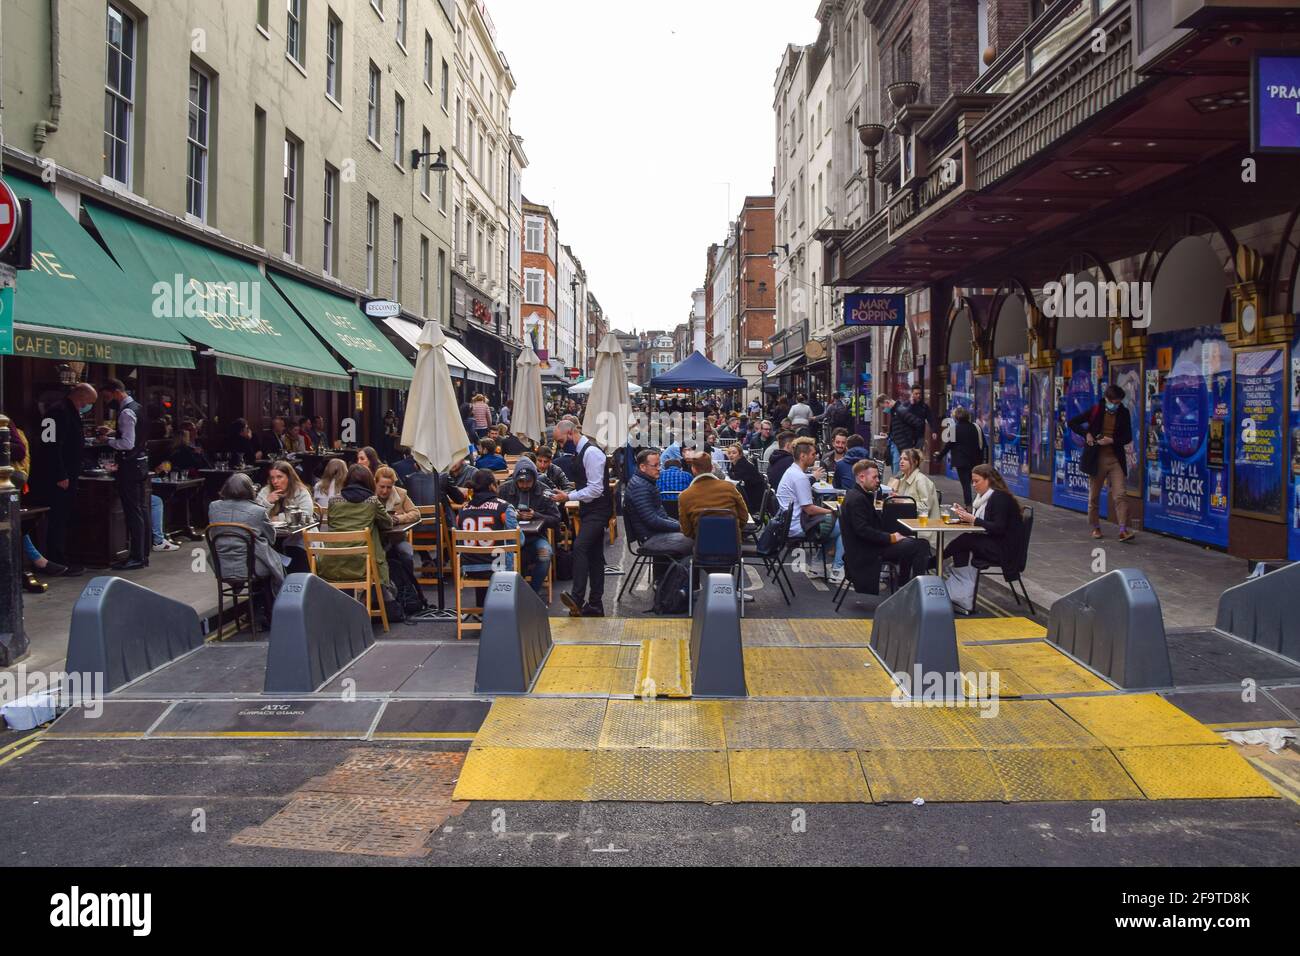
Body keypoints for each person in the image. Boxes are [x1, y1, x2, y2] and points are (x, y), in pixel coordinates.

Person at [549, 421, 613, 618]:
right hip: (590, 509)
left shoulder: (591, 453)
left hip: (598, 510)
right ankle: (595, 604)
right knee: (594, 556)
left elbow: (595, 489)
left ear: (570, 433)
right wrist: (570, 493)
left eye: (560, 441)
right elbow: (588, 485)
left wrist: (568, 497)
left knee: (580, 547)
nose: (560, 446)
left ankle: (578, 598)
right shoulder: (582, 451)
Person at [30, 382, 96, 569]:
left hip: (70, 473)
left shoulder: (70, 411)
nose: (86, 407)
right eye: (87, 403)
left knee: (65, 517)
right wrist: (60, 474)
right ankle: (57, 560)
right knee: (57, 519)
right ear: (80, 397)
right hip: (57, 477)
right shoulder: (57, 412)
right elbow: (50, 446)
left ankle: (64, 556)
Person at [840, 460, 931, 596]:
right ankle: (916, 593)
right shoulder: (857, 499)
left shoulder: (858, 495)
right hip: (867, 552)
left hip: (866, 547)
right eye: (874, 477)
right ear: (861, 477)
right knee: (920, 545)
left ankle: (904, 586)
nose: (878, 481)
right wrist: (891, 537)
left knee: (911, 543)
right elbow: (863, 530)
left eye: (878, 477)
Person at [207, 472, 284, 625]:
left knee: (261, 562)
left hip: (222, 567)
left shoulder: (213, 507)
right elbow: (271, 538)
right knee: (271, 567)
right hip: (251, 568)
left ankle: (253, 614)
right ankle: (271, 615)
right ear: (250, 489)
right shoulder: (257, 511)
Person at [97, 379, 151, 570]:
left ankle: (136, 556)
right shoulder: (138, 407)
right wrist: (114, 433)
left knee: (133, 511)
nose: (106, 401)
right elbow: (134, 435)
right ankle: (143, 553)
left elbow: (127, 444)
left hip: (129, 467)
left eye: (106, 396)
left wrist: (107, 440)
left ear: (116, 392)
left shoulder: (126, 412)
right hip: (141, 463)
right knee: (141, 509)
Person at [1070, 384, 1135, 543]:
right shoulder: (1096, 410)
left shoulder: (1124, 413)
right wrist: (1087, 434)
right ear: (1107, 399)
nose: (1116, 405)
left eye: (1119, 402)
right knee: (1094, 495)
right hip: (1097, 459)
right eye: (1114, 402)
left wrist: (1112, 440)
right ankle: (1096, 527)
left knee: (1120, 494)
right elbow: (1072, 422)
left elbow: (1127, 437)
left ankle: (1122, 530)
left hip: (1115, 459)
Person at [776, 437, 843, 582]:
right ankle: (837, 570)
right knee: (841, 525)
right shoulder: (799, 477)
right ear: (803, 456)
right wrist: (831, 511)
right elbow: (809, 509)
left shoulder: (792, 471)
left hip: (790, 521)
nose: (816, 457)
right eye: (813, 454)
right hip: (796, 525)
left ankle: (818, 565)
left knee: (833, 525)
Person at [319, 464, 394, 589]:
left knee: (371, 528)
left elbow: (332, 525)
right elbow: (388, 523)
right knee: (372, 530)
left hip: (332, 565)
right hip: (362, 566)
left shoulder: (333, 501)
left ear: (347, 481)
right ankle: (377, 598)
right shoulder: (372, 502)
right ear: (369, 481)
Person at [944, 464, 1025, 572]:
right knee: (963, 542)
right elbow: (984, 521)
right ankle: (961, 580)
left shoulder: (1000, 498)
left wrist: (973, 519)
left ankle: (935, 563)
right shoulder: (984, 497)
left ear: (989, 480)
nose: (973, 485)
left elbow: (998, 528)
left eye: (976, 481)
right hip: (994, 542)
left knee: (965, 540)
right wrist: (965, 515)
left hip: (1004, 549)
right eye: (972, 481)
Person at [498, 458, 560, 595]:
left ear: (534, 479)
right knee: (497, 556)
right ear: (515, 479)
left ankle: (531, 593)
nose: (524, 485)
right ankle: (507, 593)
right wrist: (514, 516)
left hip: (536, 537)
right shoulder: (503, 490)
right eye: (521, 481)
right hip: (510, 538)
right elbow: (496, 515)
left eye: (528, 481)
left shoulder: (545, 491)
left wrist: (536, 515)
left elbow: (556, 518)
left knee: (545, 554)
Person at [623, 449, 694, 560]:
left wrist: (682, 525)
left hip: (654, 533)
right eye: (655, 465)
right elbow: (652, 520)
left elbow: (660, 517)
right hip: (651, 537)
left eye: (659, 464)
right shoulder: (640, 487)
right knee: (693, 542)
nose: (659, 468)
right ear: (642, 467)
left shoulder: (645, 482)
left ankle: (674, 575)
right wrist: (681, 526)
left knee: (693, 537)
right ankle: (678, 576)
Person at [256, 460, 315, 574]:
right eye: (272, 478)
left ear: (289, 477)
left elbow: (306, 514)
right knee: (260, 554)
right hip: (272, 539)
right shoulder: (266, 491)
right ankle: (270, 588)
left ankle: (297, 586)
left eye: (279, 477)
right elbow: (255, 514)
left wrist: (280, 518)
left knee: (296, 554)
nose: (275, 481)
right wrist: (267, 502)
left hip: (298, 539)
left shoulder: (300, 491)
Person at [677, 452, 750, 542]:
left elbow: (686, 531)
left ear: (693, 469)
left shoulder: (684, 496)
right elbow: (744, 516)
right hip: (732, 545)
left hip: (702, 546)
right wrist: (733, 530)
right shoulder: (729, 487)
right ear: (712, 468)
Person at [889, 447, 942, 547]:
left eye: (905, 459)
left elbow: (926, 507)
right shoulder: (903, 478)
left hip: (921, 529)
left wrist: (903, 501)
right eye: (900, 459)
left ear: (915, 462)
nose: (901, 462)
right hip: (907, 524)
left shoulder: (920, 480)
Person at [933, 405, 984, 506]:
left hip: (961, 462)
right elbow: (981, 444)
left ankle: (969, 506)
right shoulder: (975, 427)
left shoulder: (954, 429)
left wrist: (939, 456)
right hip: (974, 461)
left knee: (966, 485)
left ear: (956, 417)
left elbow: (948, 446)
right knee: (977, 482)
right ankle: (979, 504)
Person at [881, 386, 931, 471]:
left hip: (902, 446)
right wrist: (889, 434)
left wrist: (912, 439)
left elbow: (918, 423)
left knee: (899, 473)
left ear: (887, 402)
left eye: (883, 407)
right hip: (897, 444)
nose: (884, 410)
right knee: (897, 472)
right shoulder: (895, 412)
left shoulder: (900, 410)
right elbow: (899, 427)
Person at [724, 442, 767, 515]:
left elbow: (736, 476)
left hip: (754, 498)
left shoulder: (743, 464)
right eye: (729, 453)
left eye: (734, 453)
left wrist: (731, 474)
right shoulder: (736, 463)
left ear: (740, 455)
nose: (731, 455)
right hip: (750, 493)